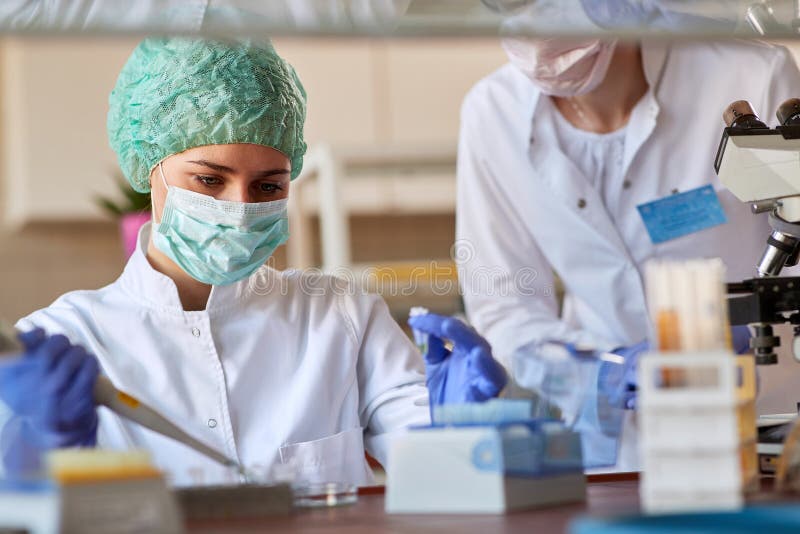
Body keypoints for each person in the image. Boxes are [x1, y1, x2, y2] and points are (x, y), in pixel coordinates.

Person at [0, 36, 507, 486]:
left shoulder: (339, 316)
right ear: (149, 168)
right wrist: (34, 455)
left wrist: (460, 432)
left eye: (268, 186)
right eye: (209, 179)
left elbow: (451, 481)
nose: (241, 207)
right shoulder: (65, 342)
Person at [455, 25, 800, 468]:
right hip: (617, 448)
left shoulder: (751, 76)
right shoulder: (493, 113)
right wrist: (598, 374)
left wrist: (751, 334)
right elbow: (506, 307)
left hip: (766, 422)